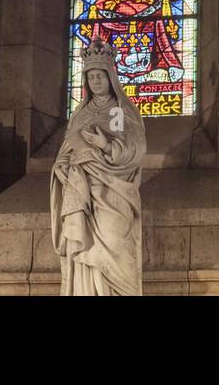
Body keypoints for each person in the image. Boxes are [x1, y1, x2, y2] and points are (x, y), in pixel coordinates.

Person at [50, 39, 147, 295]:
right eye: (90, 76)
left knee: (115, 242)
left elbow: (136, 150)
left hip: (114, 194)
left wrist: (106, 146)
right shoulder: (80, 114)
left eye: (100, 76)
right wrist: (62, 168)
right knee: (85, 252)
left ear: (110, 77)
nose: (95, 81)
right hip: (82, 194)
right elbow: (65, 152)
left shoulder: (122, 111)